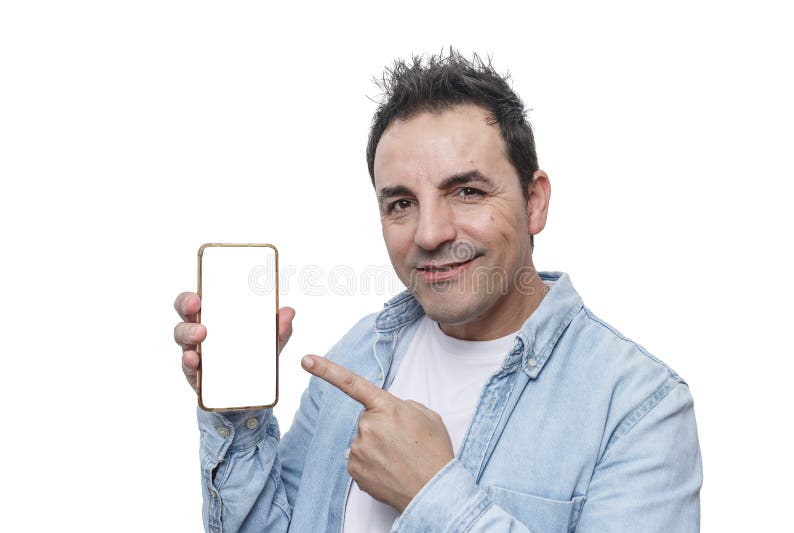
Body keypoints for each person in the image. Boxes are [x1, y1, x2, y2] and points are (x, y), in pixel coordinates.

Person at [173, 50, 702, 532]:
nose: (429, 234)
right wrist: (235, 416)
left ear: (535, 202)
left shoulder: (640, 407)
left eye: (467, 191)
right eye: (401, 204)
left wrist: (430, 493)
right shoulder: (360, 352)